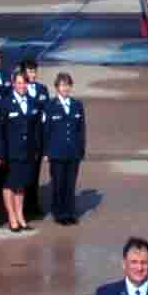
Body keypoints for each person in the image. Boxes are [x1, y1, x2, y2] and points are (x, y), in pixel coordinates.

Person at [43, 72, 87, 224]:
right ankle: (59, 213)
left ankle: (69, 212)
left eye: (68, 85)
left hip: (73, 151)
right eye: (62, 85)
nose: (65, 88)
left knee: (70, 184)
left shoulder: (77, 105)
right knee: (58, 183)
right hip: (57, 152)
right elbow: (46, 130)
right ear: (56, 88)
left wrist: (81, 149)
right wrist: (46, 151)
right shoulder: (50, 106)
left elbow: (81, 129)